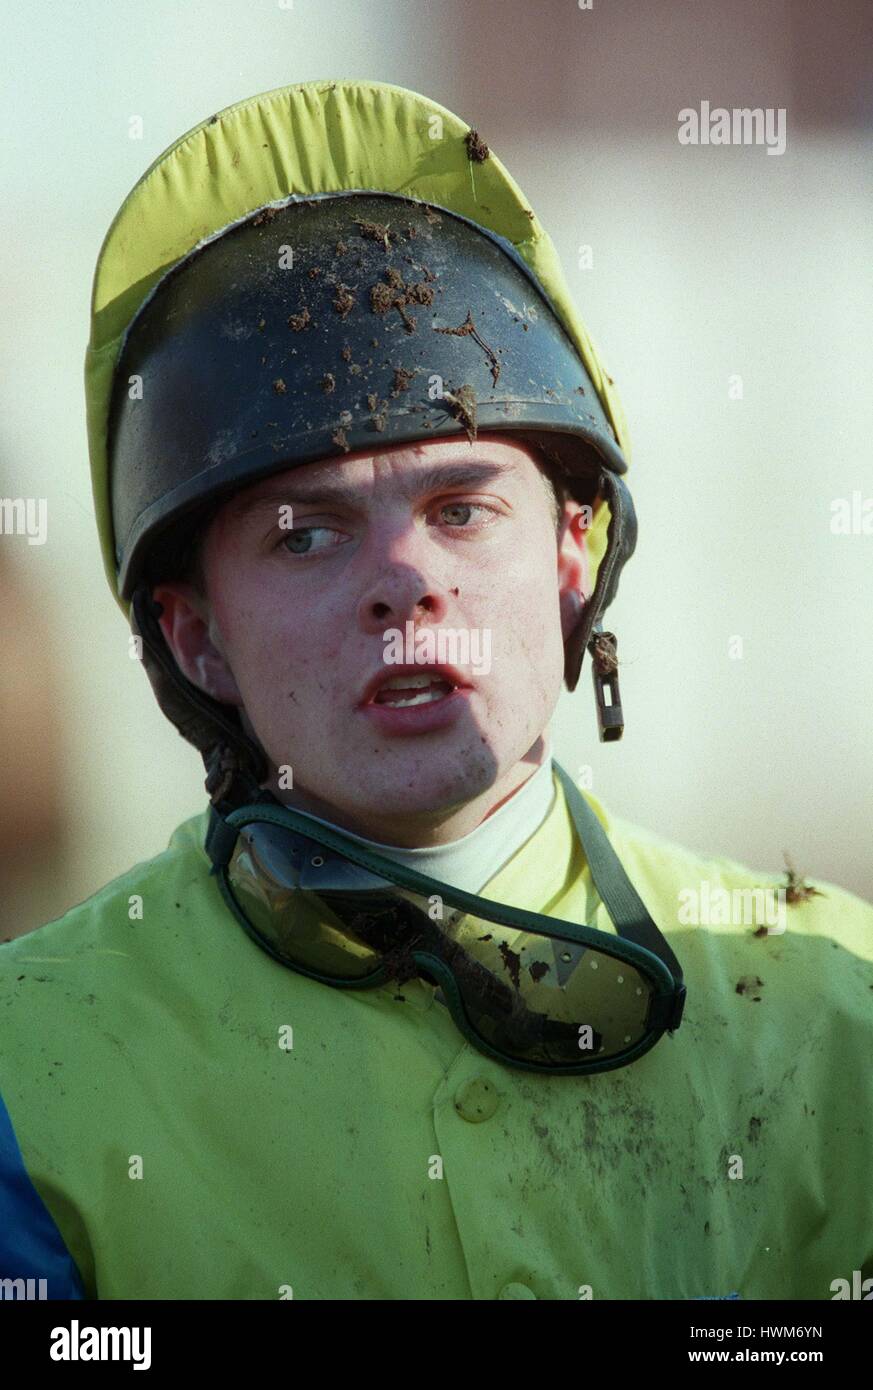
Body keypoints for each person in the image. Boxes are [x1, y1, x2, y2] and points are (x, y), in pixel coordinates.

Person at [1, 78, 871, 1302]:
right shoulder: (25, 1065)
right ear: (195, 638)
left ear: (575, 555)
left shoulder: (840, 1009)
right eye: (306, 534)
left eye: (462, 510)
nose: (405, 580)